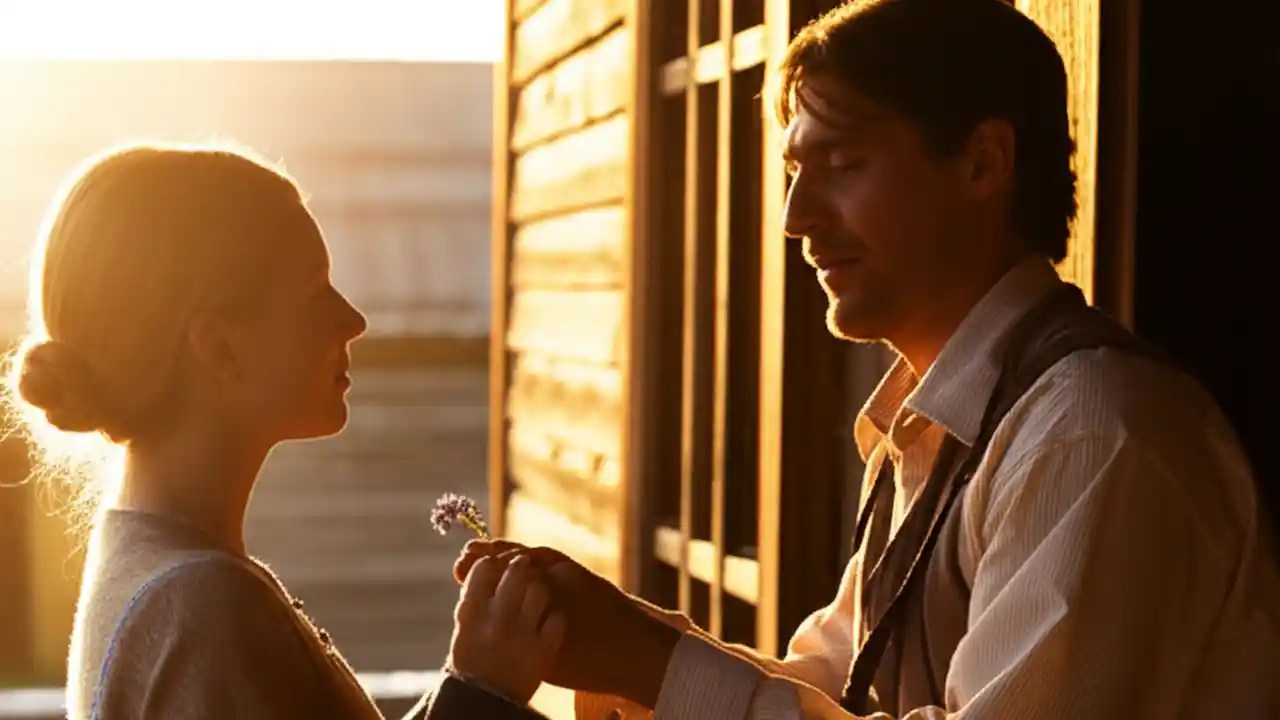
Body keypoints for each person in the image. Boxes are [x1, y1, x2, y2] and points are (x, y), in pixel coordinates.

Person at [454, 0, 1280, 718]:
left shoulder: (1094, 431)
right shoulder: (939, 418)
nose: (794, 217)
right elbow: (834, 684)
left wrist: (650, 661)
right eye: (793, 170)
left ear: (983, 163)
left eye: (844, 164)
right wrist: (627, 641)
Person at [5, 143, 559, 720]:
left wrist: (467, 679)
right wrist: (479, 695)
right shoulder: (200, 603)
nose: (354, 320)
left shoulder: (156, 562)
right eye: (316, 291)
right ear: (221, 348)